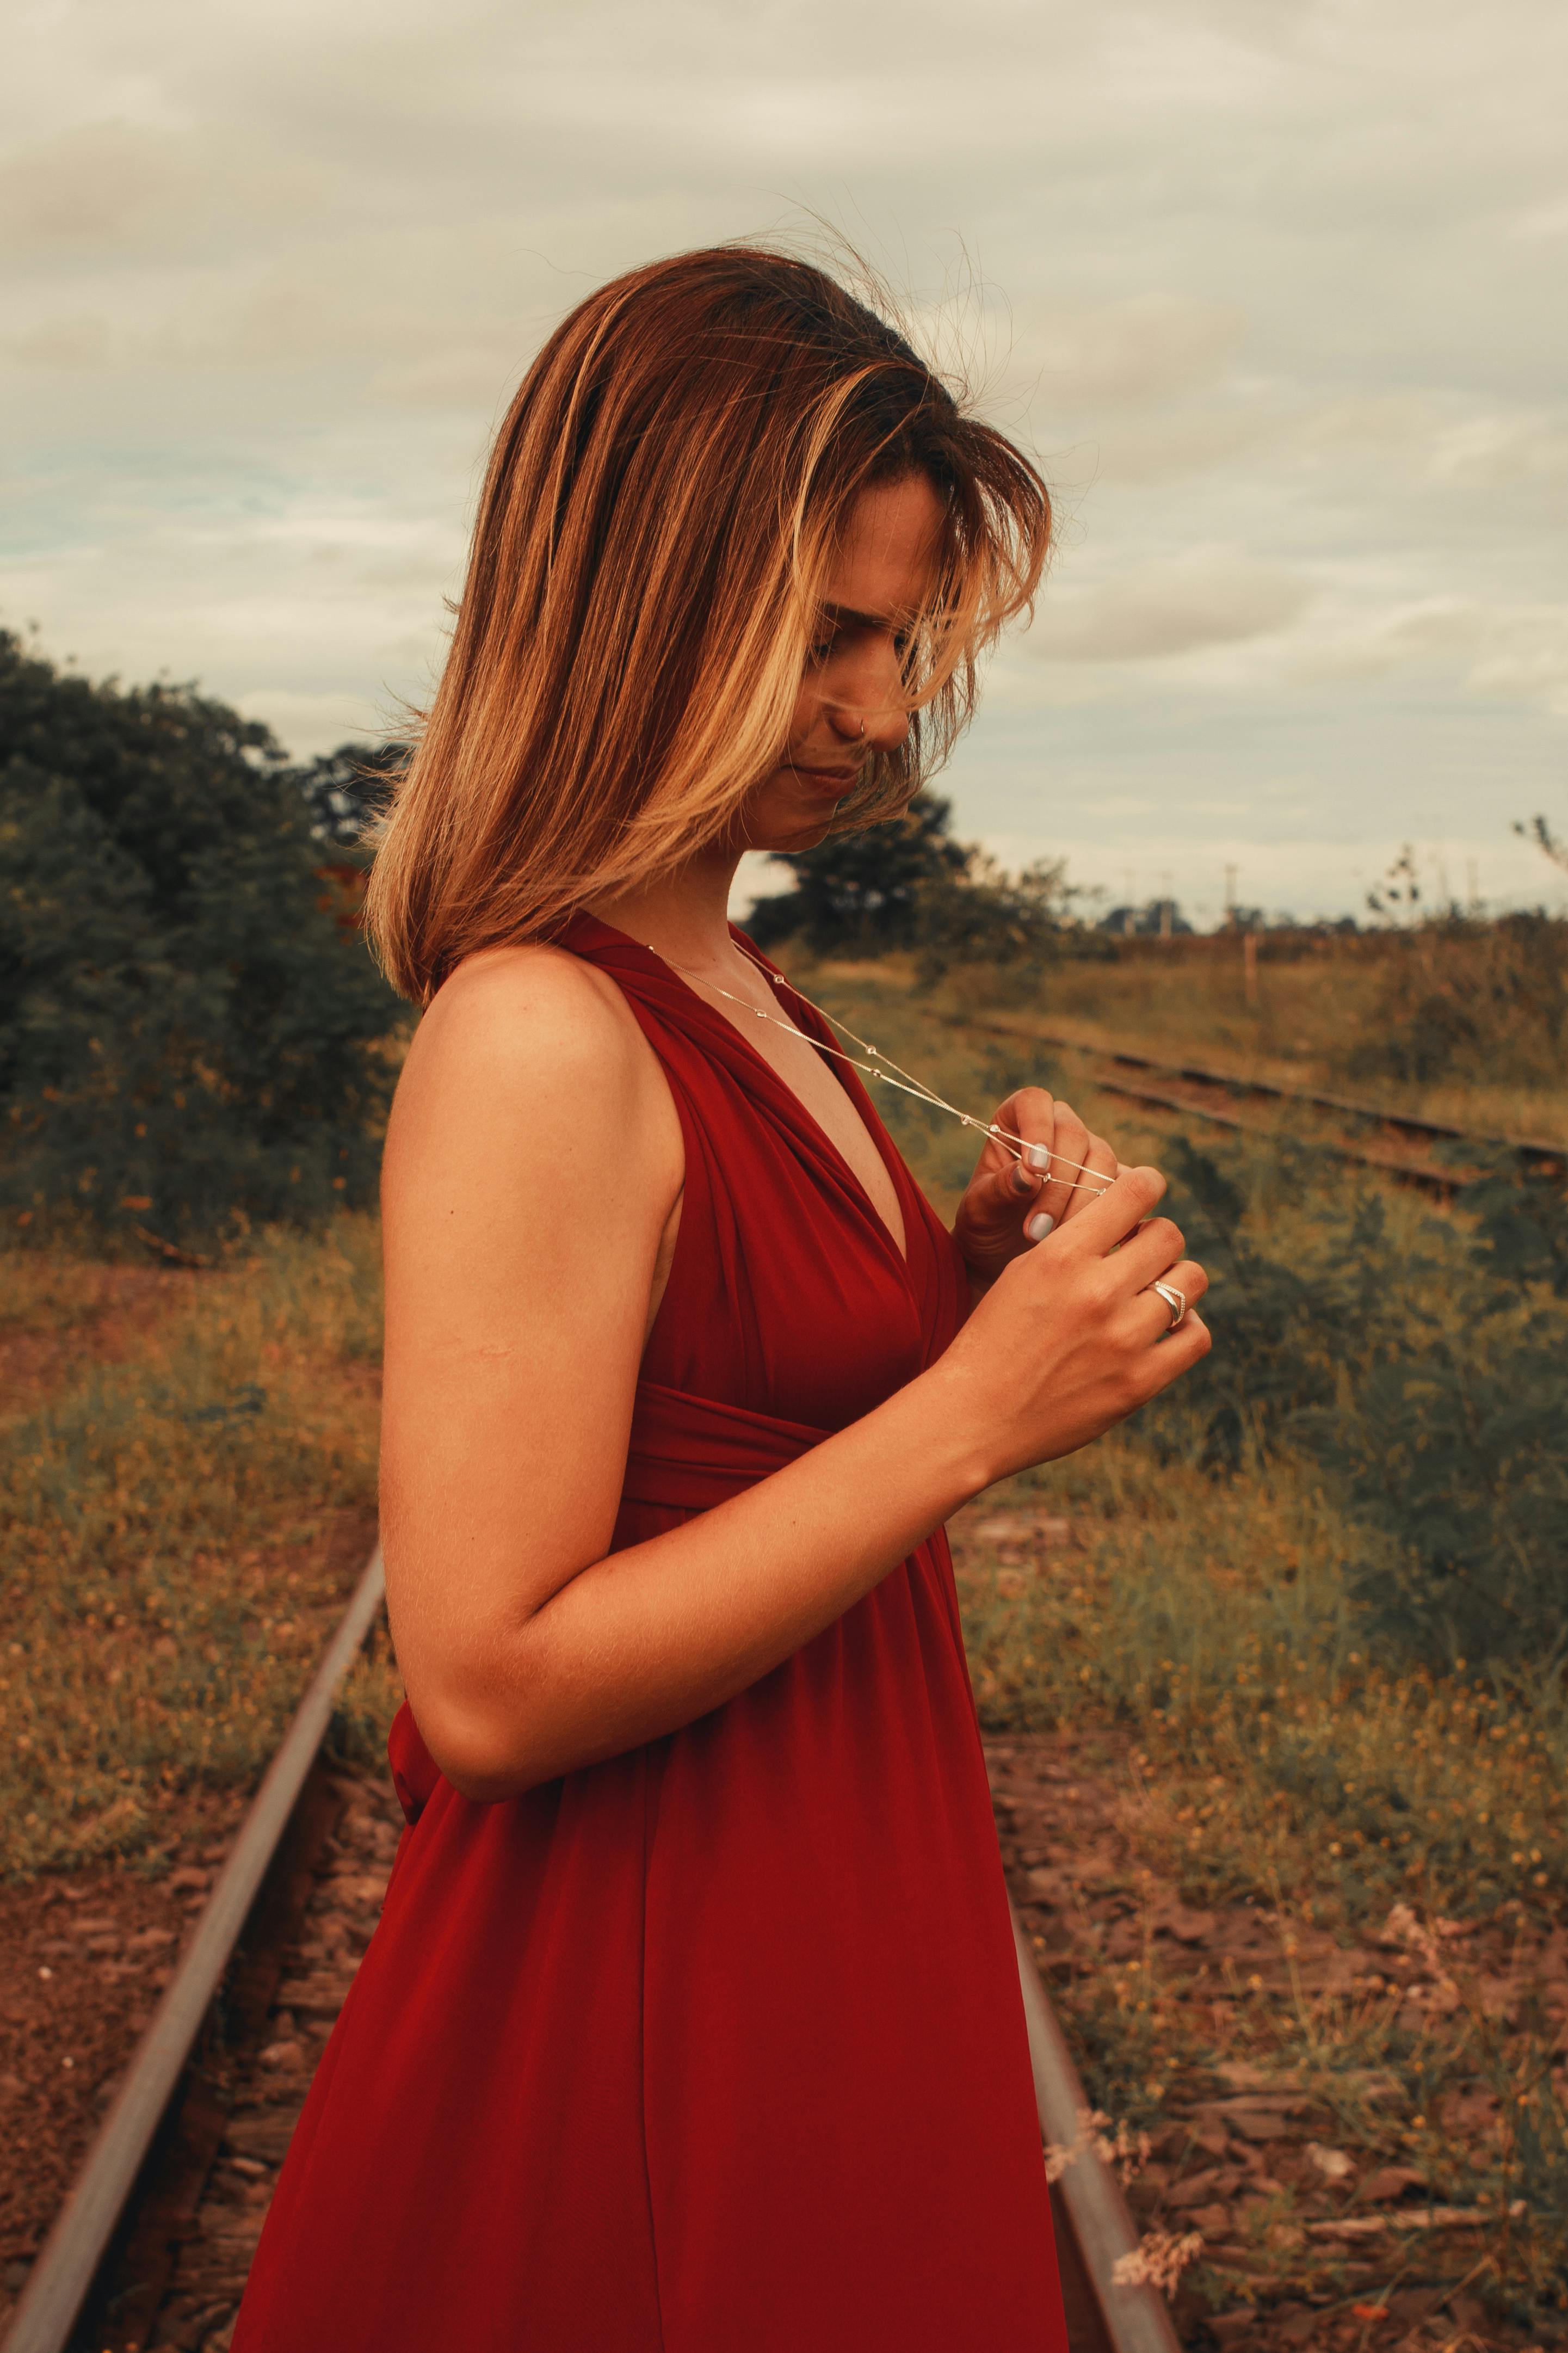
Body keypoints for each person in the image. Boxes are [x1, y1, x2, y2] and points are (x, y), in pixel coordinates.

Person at [232, 245, 1209, 2353]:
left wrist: (954, 1290)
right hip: (656, 2000)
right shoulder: (541, 1026)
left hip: (821, 1924)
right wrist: (978, 1407)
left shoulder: (748, 988)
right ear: (640, 601)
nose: (876, 709)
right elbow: (486, 1685)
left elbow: (727, 1406)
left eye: (905, 640)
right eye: (828, 636)